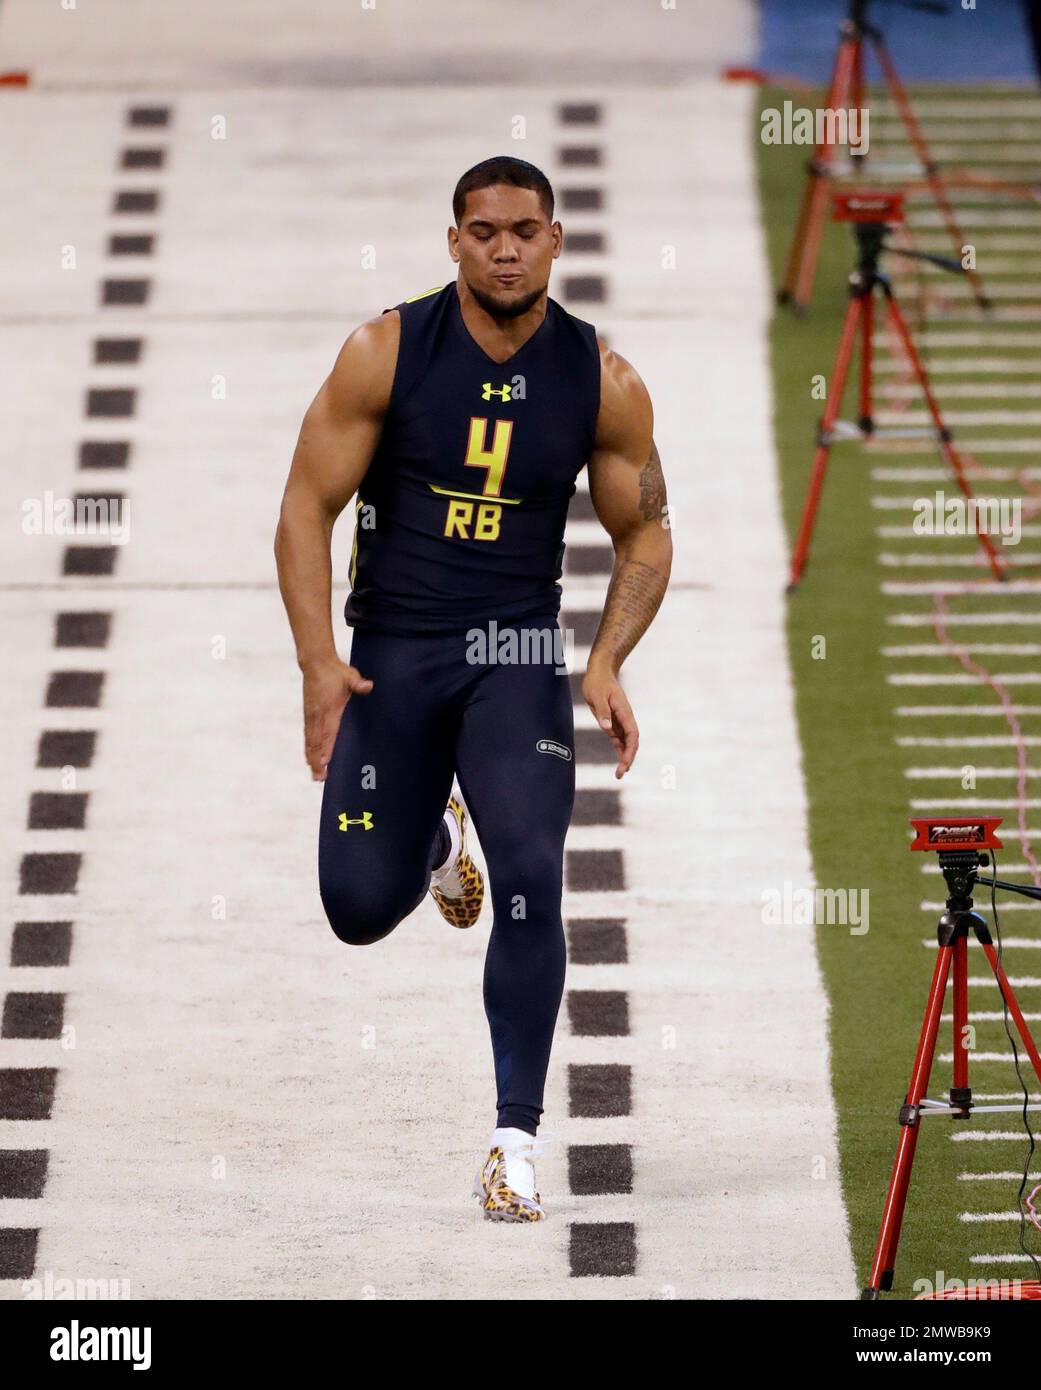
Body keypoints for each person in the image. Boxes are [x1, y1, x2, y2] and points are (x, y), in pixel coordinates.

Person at [275, 155, 671, 1221]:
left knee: (536, 872)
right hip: (394, 650)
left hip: (514, 656)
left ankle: (513, 1140)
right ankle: (438, 844)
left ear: (556, 241)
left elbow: (645, 528)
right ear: (452, 240)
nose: (505, 248)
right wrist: (320, 660)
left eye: (525, 230)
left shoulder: (602, 375)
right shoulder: (385, 351)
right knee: (359, 908)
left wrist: (604, 660)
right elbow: (305, 506)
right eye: (484, 230)